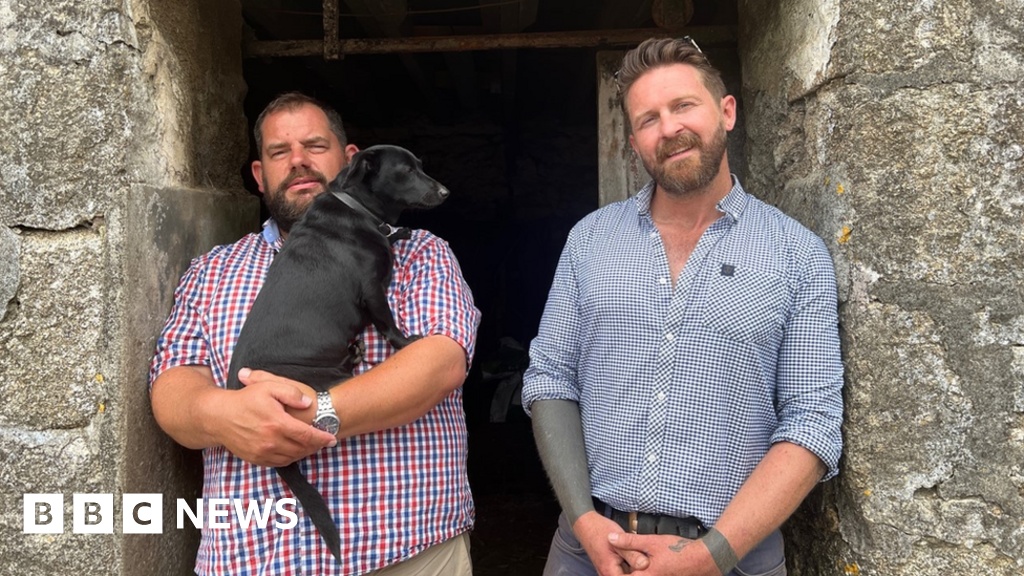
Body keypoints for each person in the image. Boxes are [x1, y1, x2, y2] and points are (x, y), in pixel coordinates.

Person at [522, 37, 844, 576]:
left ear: (727, 112)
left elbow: (812, 423)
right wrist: (581, 519)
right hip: (590, 550)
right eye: (648, 119)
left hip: (735, 556)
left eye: (683, 106)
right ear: (634, 142)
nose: (668, 128)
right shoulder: (590, 241)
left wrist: (711, 554)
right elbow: (552, 380)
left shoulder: (797, 253)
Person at [149, 92, 481, 576]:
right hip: (250, 558)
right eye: (280, 153)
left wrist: (314, 418)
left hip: (403, 550)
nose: (299, 162)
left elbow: (440, 363)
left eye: (314, 145)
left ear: (352, 161)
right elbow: (171, 390)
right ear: (260, 175)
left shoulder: (420, 255)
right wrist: (224, 413)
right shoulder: (212, 271)